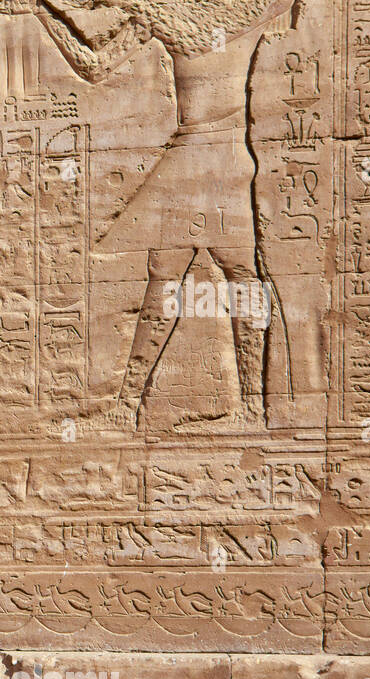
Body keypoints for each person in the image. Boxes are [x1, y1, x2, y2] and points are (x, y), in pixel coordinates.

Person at [27, 0, 296, 430]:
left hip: (205, 158)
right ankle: (230, 407)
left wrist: (46, 15)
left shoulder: (178, 21)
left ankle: (163, 406)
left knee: (203, 278)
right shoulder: (227, 18)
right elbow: (95, 68)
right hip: (214, 157)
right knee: (213, 278)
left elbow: (92, 65)